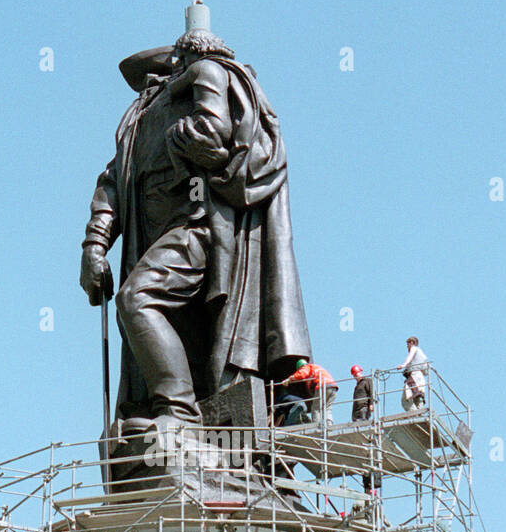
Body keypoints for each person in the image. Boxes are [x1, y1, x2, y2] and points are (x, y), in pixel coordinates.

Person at [79, 31, 312, 440]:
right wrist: (95, 246)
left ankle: (178, 410)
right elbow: (113, 183)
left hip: (199, 229)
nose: (155, 83)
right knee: (142, 312)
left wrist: (191, 137)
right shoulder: (138, 120)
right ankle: (177, 410)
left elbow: (218, 137)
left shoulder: (208, 78)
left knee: (137, 298)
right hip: (149, 239)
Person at [350, 365, 381, 499]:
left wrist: (371, 403)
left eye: (358, 373)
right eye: (355, 374)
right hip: (356, 411)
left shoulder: (367, 381)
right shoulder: (357, 386)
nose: (357, 375)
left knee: (363, 427)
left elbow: (371, 392)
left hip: (363, 408)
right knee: (358, 429)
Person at [281, 358, 337, 426]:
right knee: (327, 408)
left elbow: (302, 374)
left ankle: (316, 425)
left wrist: (289, 379)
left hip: (322, 386)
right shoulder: (316, 368)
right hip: (333, 387)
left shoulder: (307, 367)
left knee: (315, 408)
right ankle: (329, 424)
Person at [397, 336, 428, 411]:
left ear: (412, 343)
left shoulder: (414, 349)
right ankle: (420, 413)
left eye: (407, 344)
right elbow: (426, 372)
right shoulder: (422, 355)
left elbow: (409, 357)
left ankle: (415, 415)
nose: (407, 346)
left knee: (406, 400)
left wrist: (403, 365)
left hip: (414, 377)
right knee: (418, 398)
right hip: (420, 379)